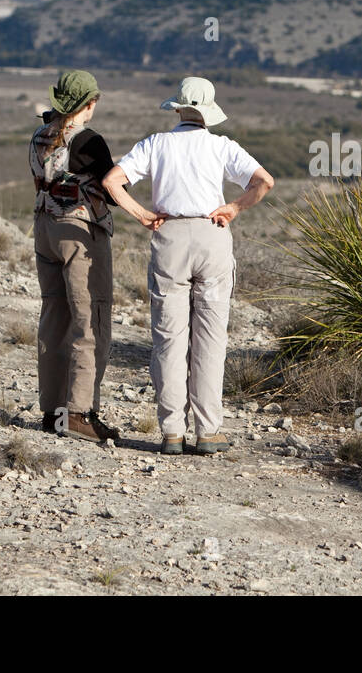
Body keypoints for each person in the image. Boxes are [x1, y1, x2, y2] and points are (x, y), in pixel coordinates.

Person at [102, 76, 274, 455]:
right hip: (213, 235)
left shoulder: (156, 144)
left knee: (169, 338)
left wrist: (143, 214)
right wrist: (235, 207)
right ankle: (209, 431)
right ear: (208, 113)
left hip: (170, 238)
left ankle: (172, 432)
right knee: (210, 339)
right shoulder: (221, 146)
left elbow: (113, 182)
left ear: (178, 108)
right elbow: (264, 181)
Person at [30, 70, 122, 444]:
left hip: (44, 227)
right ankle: (80, 413)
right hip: (79, 233)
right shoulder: (88, 141)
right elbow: (114, 191)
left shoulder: (40, 134)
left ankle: (52, 412)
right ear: (89, 102)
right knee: (90, 318)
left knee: (54, 314)